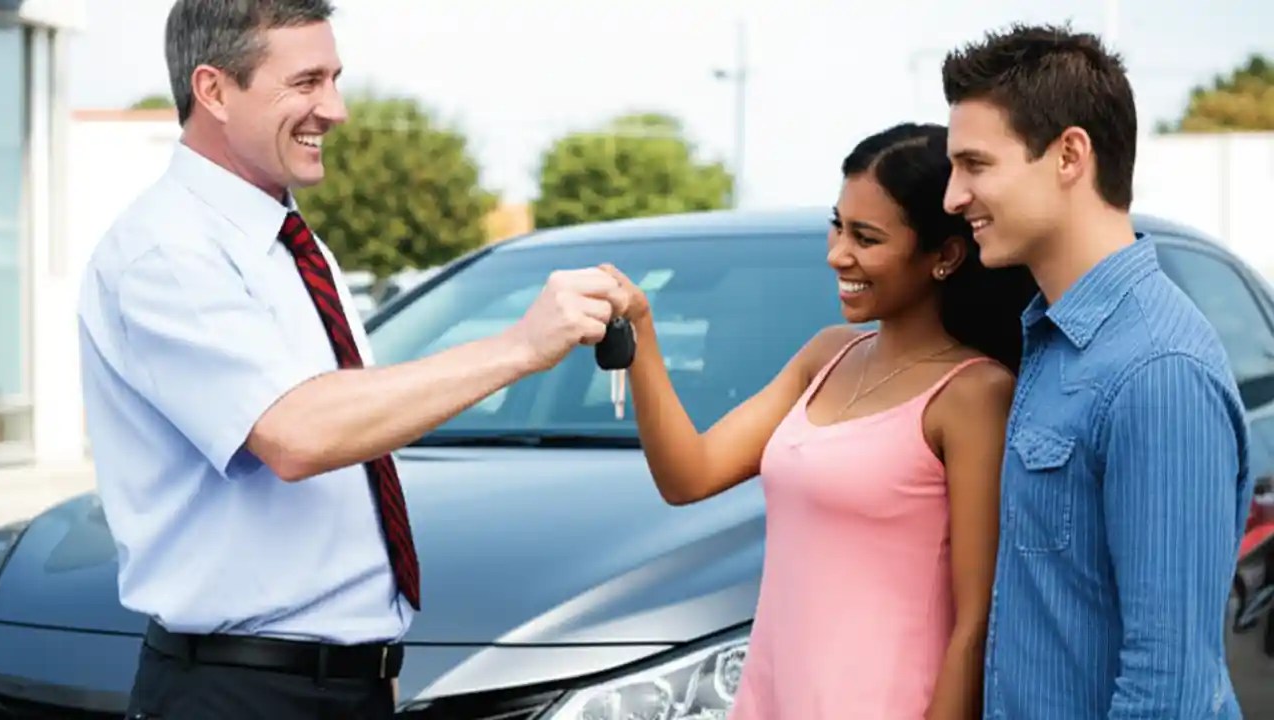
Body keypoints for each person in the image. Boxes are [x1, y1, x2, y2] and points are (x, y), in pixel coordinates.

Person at [76, 2, 628, 718]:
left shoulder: (289, 243)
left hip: (336, 685)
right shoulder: (167, 253)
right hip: (242, 695)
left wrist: (370, 662)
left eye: (334, 79)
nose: (333, 109)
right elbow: (298, 433)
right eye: (305, 82)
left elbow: (353, 425)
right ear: (213, 90)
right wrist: (519, 348)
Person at [601, 122, 1038, 719]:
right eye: (837, 225)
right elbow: (688, 475)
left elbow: (975, 621)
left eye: (866, 237)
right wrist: (643, 331)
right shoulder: (825, 356)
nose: (838, 254)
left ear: (945, 256)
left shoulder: (974, 395)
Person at [941, 24, 1252, 719]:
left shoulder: (1156, 370)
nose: (953, 198)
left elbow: (1167, 690)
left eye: (975, 165)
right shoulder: (1058, 338)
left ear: (1069, 155)